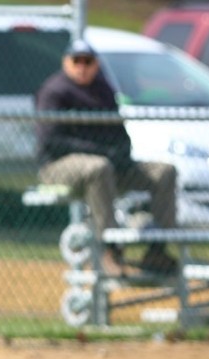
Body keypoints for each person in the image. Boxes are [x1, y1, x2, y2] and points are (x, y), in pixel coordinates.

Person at [35, 38, 179, 276]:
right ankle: (108, 250)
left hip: (108, 166)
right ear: (65, 62)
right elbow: (52, 142)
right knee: (98, 167)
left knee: (164, 171)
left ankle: (157, 250)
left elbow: (121, 134)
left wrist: (122, 155)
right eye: (76, 61)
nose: (82, 66)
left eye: (88, 61)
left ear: (96, 64)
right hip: (57, 167)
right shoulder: (55, 91)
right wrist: (102, 152)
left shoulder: (103, 90)